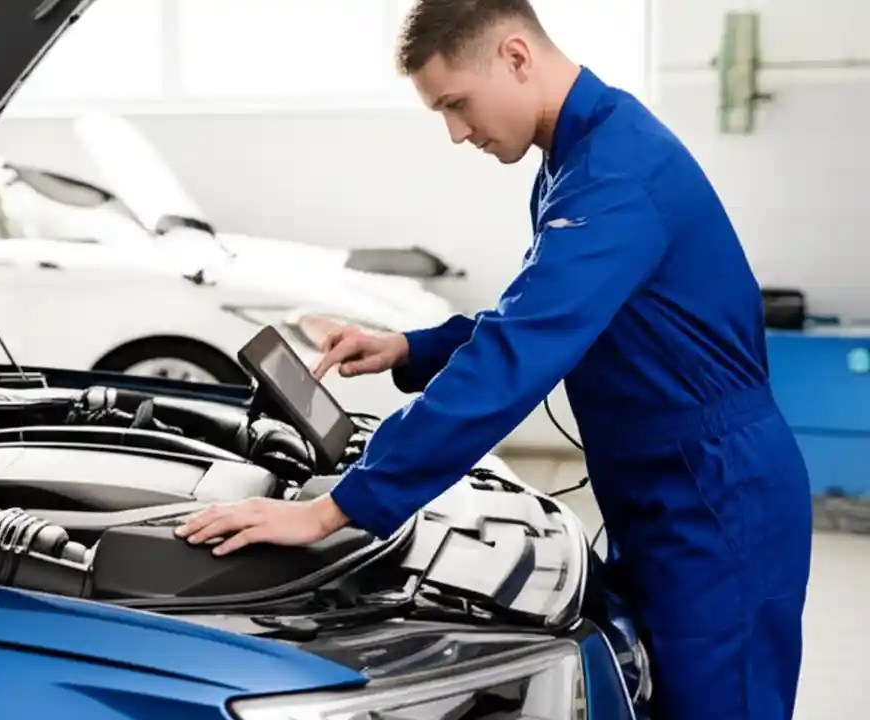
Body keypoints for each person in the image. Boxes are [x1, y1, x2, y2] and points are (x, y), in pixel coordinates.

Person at [174, 1, 813, 717]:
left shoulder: (615, 176)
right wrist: (408, 348)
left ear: (515, 57)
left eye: (456, 104)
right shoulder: (579, 158)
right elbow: (535, 314)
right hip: (663, 488)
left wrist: (337, 509)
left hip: (717, 495)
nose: (456, 133)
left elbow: (521, 350)